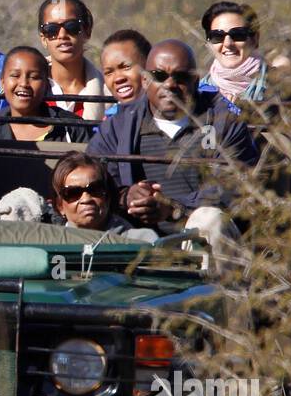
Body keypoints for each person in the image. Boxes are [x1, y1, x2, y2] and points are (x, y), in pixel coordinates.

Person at [87, 40, 260, 265]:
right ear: (145, 80)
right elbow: (91, 178)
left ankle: (211, 298)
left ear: (196, 81)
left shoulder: (224, 123)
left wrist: (172, 209)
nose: (170, 84)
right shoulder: (117, 127)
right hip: (138, 242)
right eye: (159, 76)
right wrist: (125, 196)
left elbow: (231, 191)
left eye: (181, 77)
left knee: (209, 219)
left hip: (202, 248)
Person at [48, 152, 154, 239]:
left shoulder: (142, 241)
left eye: (95, 189)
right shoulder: (48, 245)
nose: (86, 199)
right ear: (59, 205)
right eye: (73, 193)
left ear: (108, 196)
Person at [0, 46, 89, 143]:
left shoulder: (71, 127)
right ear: (2, 81)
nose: (23, 83)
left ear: (47, 84)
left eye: (34, 77)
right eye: (15, 75)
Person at [37, 0, 108, 121]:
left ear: (87, 31)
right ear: (43, 38)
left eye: (72, 27)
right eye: (52, 29)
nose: (62, 35)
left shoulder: (109, 93)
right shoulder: (29, 89)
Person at [198, 1, 269, 104]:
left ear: (255, 39)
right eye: (217, 36)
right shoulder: (197, 95)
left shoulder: (279, 87)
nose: (227, 43)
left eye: (237, 34)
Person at [99, 28, 152, 120]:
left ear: (149, 64)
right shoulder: (108, 126)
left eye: (126, 67)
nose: (118, 78)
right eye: (109, 72)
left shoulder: (169, 118)